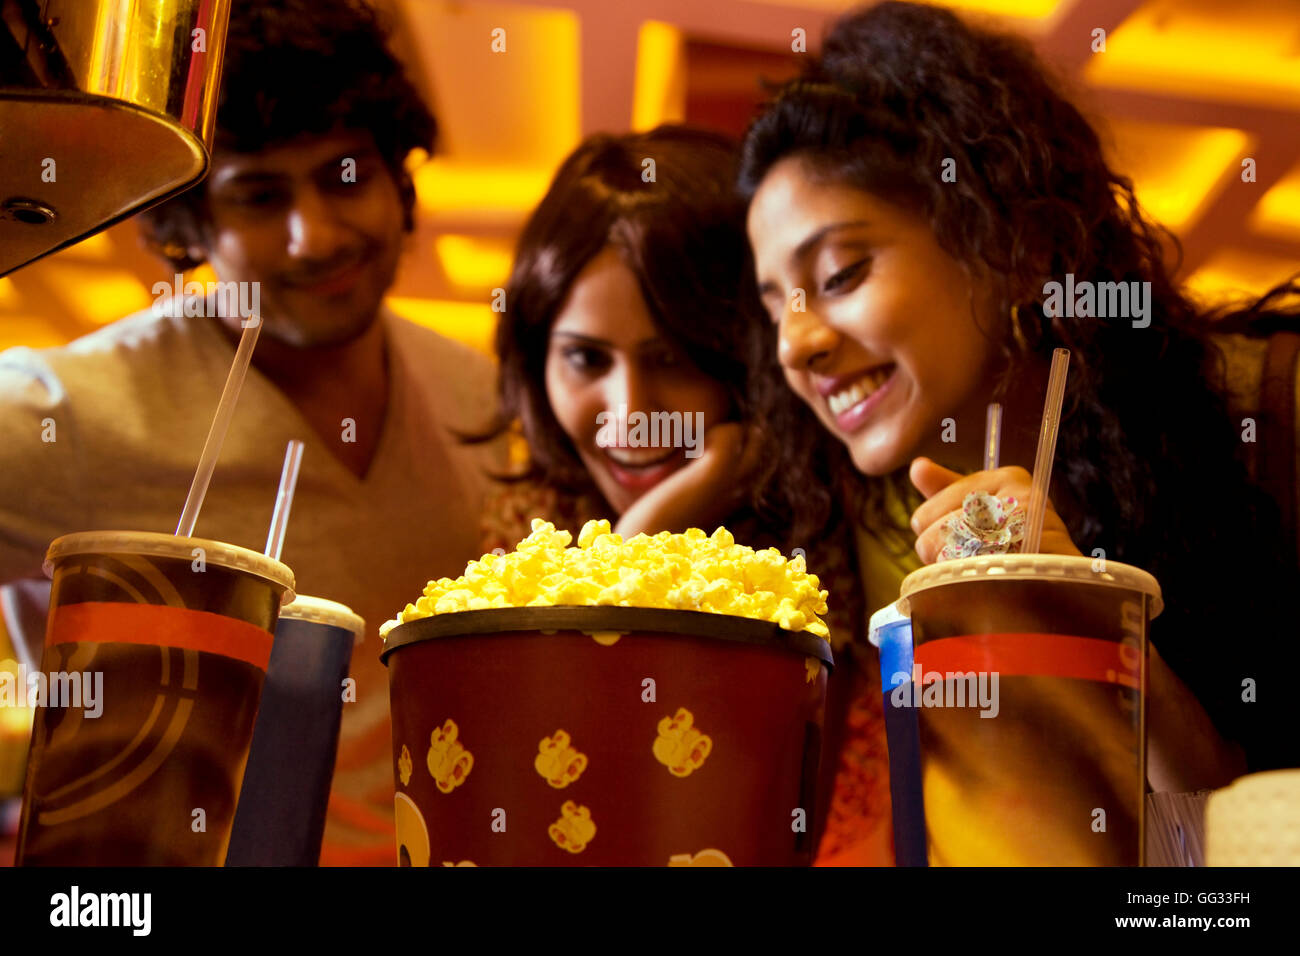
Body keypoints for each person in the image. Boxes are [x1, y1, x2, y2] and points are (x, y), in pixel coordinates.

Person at [739, 1, 1300, 794]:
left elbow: (1231, 821)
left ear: (1014, 243)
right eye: (774, 310)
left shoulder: (1269, 412)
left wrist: (1085, 610)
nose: (795, 344)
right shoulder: (873, 536)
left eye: (840, 276)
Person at [0, 0, 504, 865]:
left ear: (400, 178)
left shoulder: (482, 392)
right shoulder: (64, 410)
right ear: (187, 222)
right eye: (262, 197)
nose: (318, 235)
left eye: (346, 175)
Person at [475, 125, 894, 863]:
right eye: (584, 358)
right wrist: (651, 528)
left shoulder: (836, 537)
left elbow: (772, 831)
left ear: (747, 357)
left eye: (670, 358)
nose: (631, 413)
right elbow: (523, 814)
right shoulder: (529, 528)